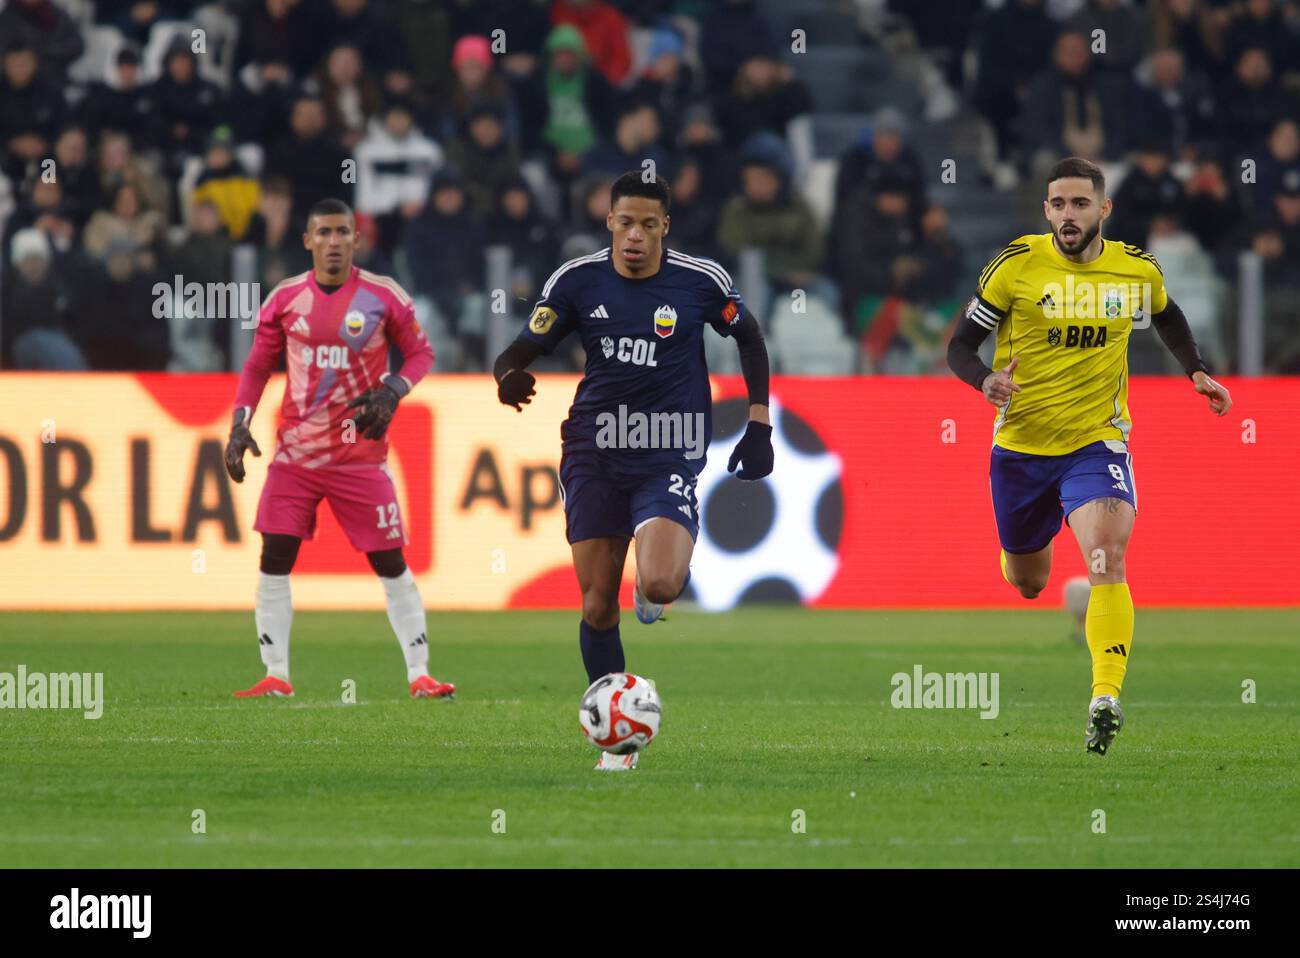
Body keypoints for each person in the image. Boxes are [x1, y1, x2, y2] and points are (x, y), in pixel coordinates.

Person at [946, 157, 1232, 757]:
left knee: (1107, 555)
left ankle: (1105, 696)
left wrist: (1197, 371)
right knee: (1028, 580)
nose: (1067, 216)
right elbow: (960, 344)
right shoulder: (1017, 267)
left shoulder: (1134, 271)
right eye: (1057, 205)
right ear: (1045, 210)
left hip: (1095, 441)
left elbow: (1167, 314)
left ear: (1104, 210)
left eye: (1079, 204)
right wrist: (985, 382)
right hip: (1021, 447)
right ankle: (1035, 557)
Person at [490, 172, 774, 770]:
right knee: (596, 605)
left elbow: (748, 336)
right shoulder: (577, 280)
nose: (636, 236)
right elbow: (522, 346)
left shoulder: (701, 281)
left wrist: (758, 421)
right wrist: (507, 375)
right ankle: (619, 739)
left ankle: (652, 579)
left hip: (668, 447)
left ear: (665, 227)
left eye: (649, 224)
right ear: (609, 223)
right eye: (626, 223)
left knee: (663, 585)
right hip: (594, 448)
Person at [224, 198, 454, 700]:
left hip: (357, 450)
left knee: (389, 560)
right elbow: (257, 366)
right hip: (296, 455)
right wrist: (239, 422)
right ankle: (276, 676)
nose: (333, 241)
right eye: (323, 232)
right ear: (307, 241)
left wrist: (393, 389)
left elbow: (420, 352)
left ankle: (420, 674)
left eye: (342, 232)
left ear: (356, 239)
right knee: (274, 554)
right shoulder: (284, 300)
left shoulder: (382, 295)